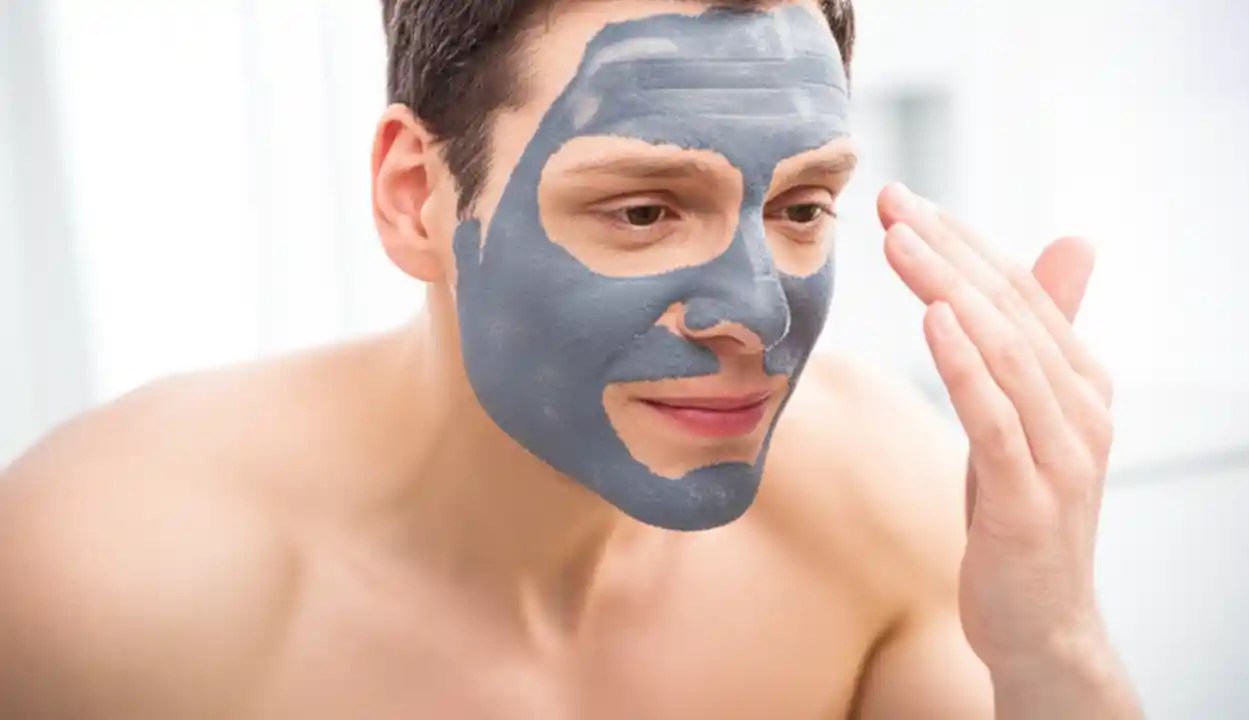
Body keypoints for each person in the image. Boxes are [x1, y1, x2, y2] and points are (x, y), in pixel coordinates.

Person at [0, 0, 1143, 717]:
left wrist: (1052, 647)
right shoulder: (103, 584)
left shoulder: (880, 503)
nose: (757, 315)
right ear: (413, 198)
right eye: (642, 210)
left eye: (800, 207)